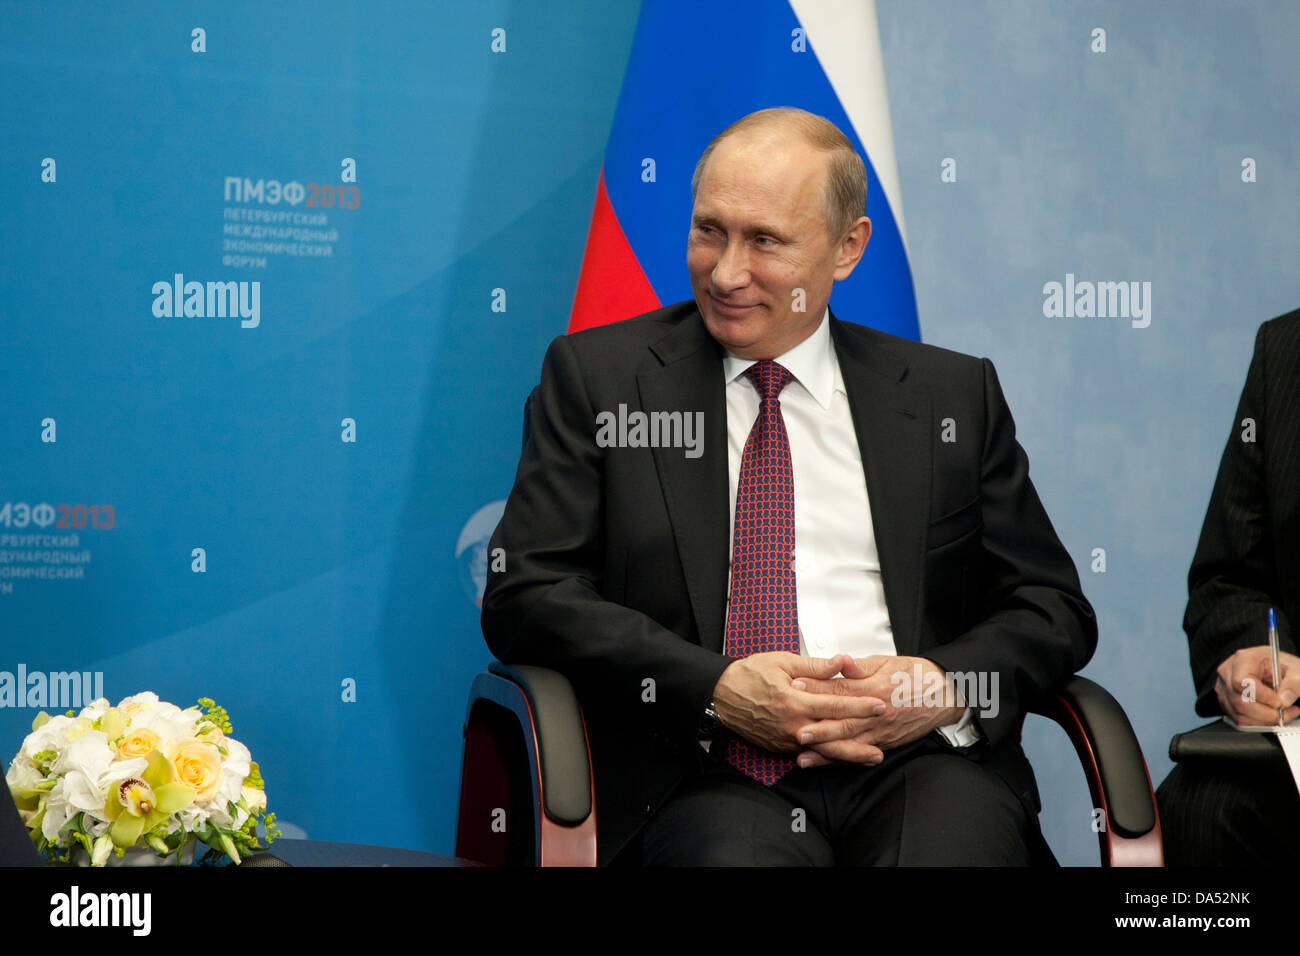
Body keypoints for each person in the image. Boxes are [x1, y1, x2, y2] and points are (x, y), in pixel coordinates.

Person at [481, 107, 1096, 866]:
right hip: (702, 771)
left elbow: (1052, 607)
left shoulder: (947, 396)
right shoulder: (601, 381)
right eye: (710, 230)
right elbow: (527, 594)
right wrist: (716, 687)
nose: (727, 271)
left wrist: (942, 684)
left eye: (765, 240)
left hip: (922, 765)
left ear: (848, 247)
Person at [1157, 309, 1300, 864]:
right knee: (1199, 808)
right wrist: (1262, 660)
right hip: (1294, 737)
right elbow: (1229, 578)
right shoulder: (1284, 349)